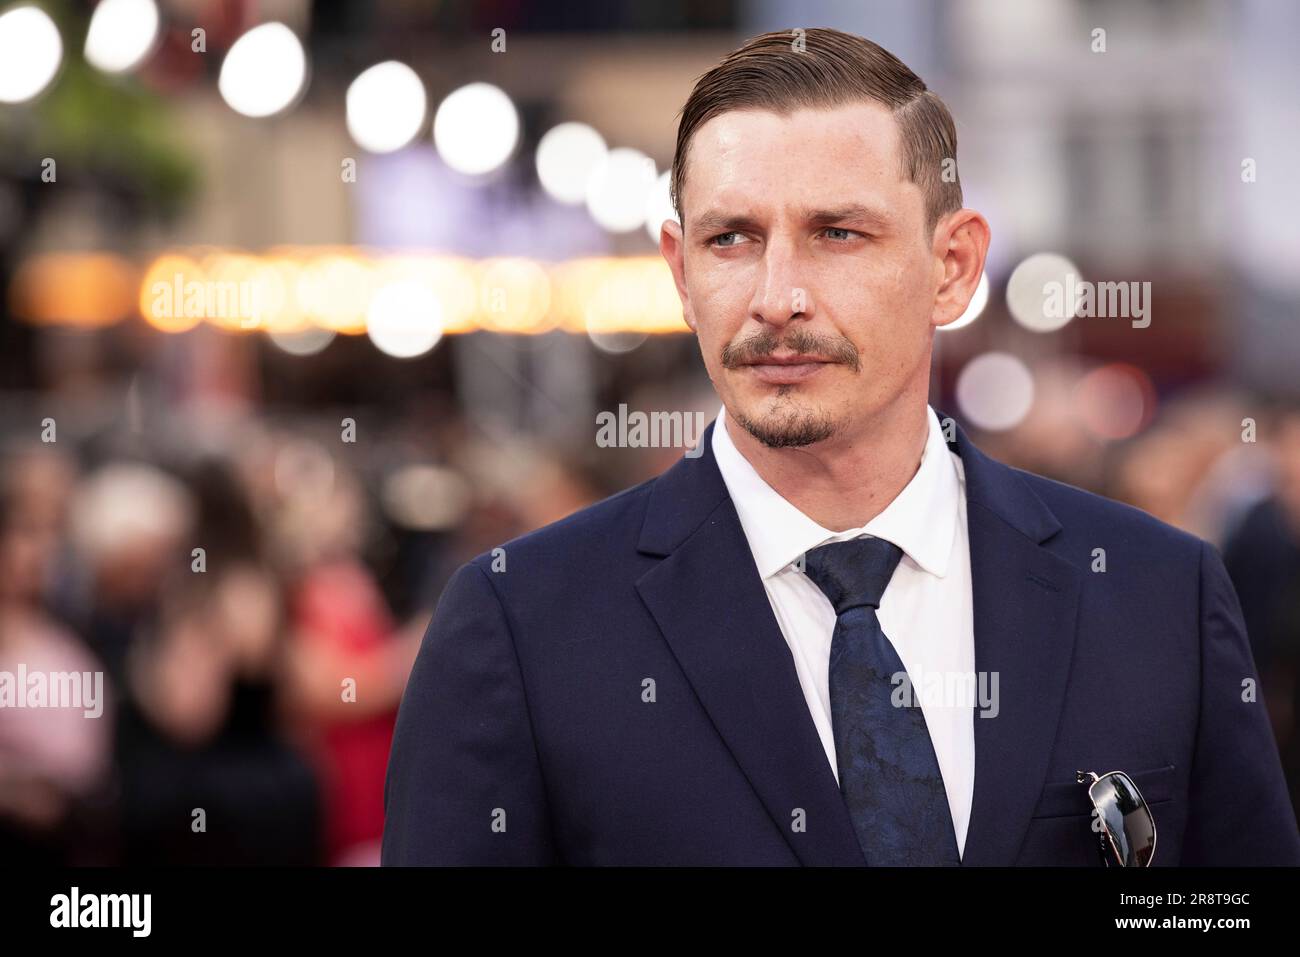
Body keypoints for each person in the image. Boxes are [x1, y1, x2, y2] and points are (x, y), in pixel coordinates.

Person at [382, 28, 1300, 866]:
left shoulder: (1156, 595)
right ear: (681, 272)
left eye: (838, 234)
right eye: (732, 237)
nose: (778, 295)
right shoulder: (522, 625)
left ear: (953, 268)